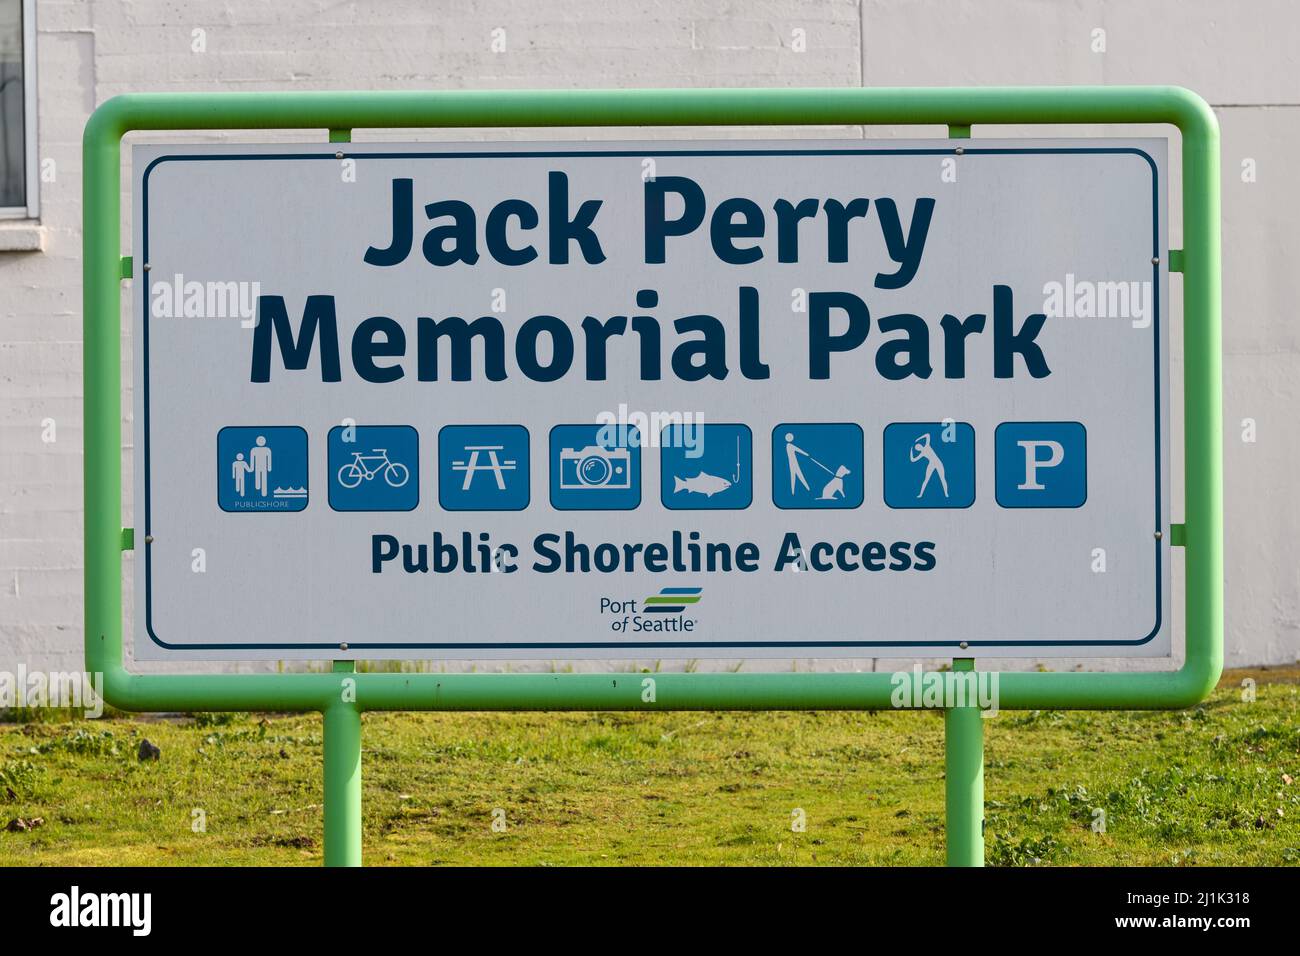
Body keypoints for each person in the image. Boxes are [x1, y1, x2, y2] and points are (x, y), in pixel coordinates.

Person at [910, 432, 949, 498]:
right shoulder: (922, 453)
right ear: (918, 450)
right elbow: (913, 460)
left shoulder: (927, 446)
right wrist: (911, 451)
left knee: (942, 478)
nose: (919, 447)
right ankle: (920, 494)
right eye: (917, 448)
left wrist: (918, 438)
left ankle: (946, 493)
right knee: (926, 479)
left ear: (921, 445)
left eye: (919, 446)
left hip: (938, 462)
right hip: (931, 464)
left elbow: (927, 435)